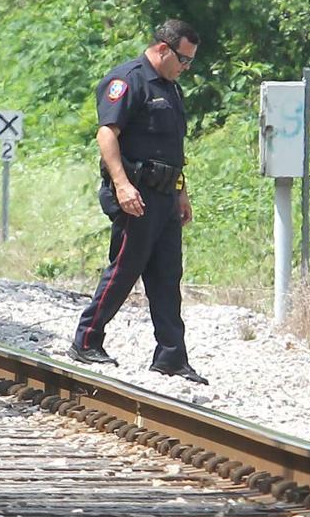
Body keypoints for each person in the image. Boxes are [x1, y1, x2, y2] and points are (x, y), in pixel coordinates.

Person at [68, 19, 209, 385]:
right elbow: (106, 135)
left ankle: (171, 358)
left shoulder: (172, 89)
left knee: (167, 276)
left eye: (190, 61)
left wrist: (181, 192)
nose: (186, 67)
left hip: (164, 196)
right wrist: (121, 185)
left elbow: (173, 148)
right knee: (125, 270)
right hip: (136, 194)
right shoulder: (128, 80)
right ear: (163, 49)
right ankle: (87, 339)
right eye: (183, 59)